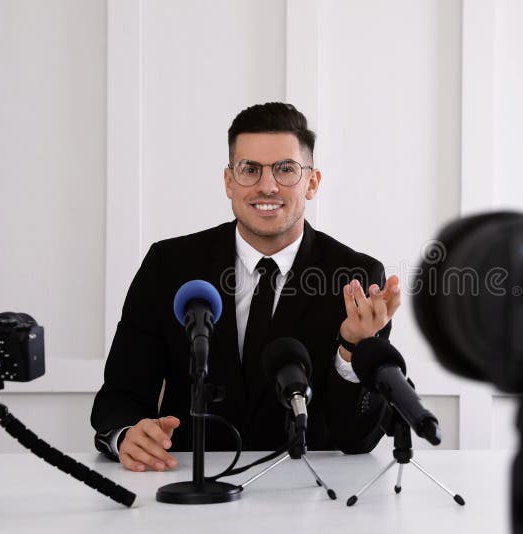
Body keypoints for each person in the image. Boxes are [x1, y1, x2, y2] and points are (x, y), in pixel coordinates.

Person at [91, 102, 401, 472]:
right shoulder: (168, 265)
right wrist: (126, 434)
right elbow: (119, 398)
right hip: (190, 487)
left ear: (312, 182)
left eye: (286, 170)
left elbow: (357, 440)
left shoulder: (355, 275)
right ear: (228, 181)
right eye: (250, 170)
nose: (267, 186)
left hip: (310, 497)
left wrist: (352, 350)